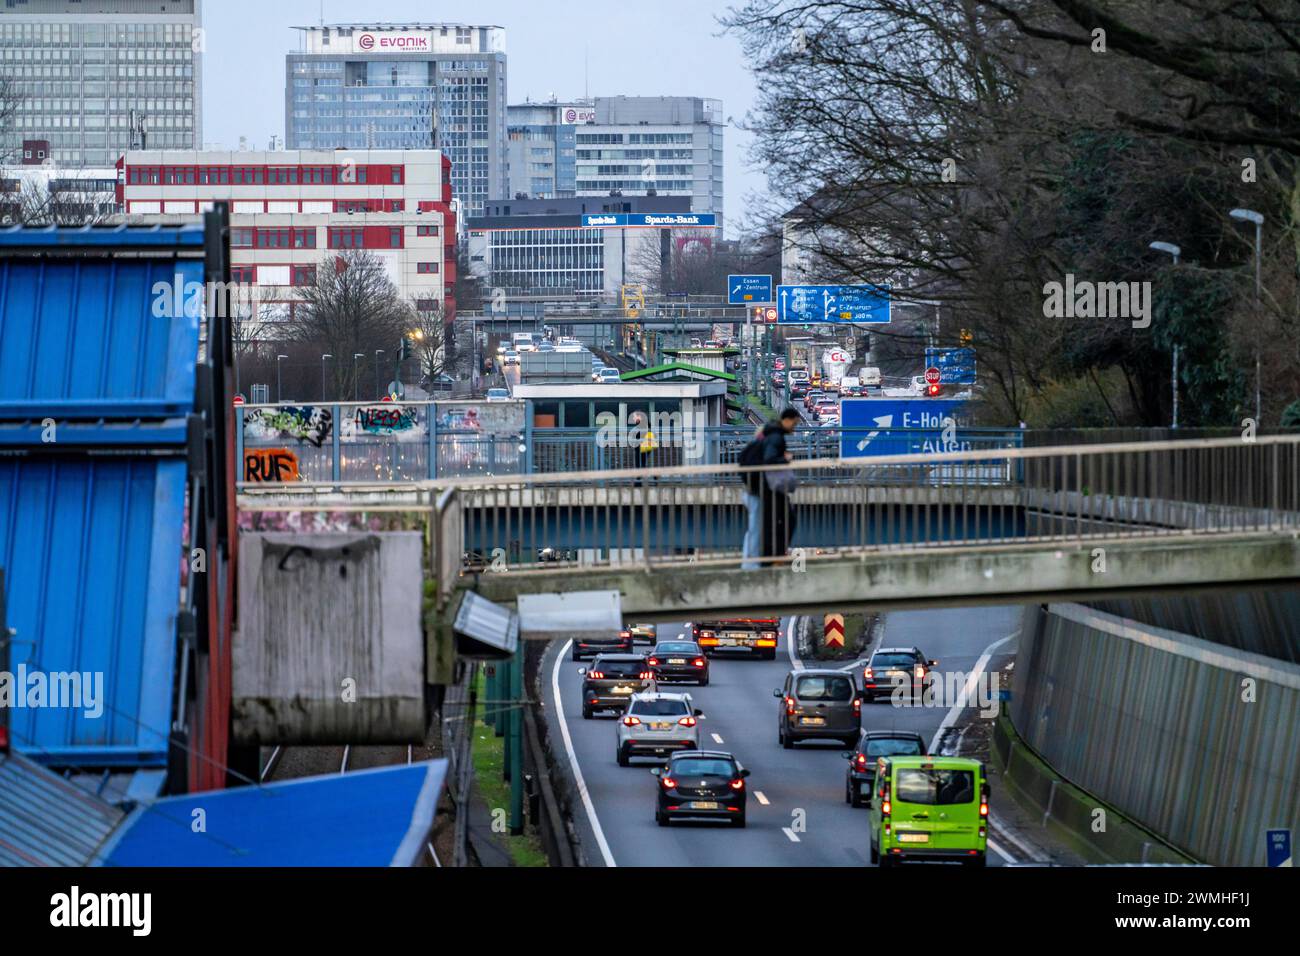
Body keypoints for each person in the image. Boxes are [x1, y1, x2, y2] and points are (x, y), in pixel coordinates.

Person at [760, 407, 800, 562]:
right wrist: (785, 459)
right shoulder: (776, 437)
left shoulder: (772, 433)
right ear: (787, 420)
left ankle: (772, 556)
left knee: (776, 521)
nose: (794, 428)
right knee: (787, 520)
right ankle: (774, 556)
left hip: (770, 486)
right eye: (794, 424)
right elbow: (769, 459)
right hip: (772, 487)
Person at [738, 424, 766, 570]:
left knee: (753, 529)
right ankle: (751, 563)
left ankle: (750, 561)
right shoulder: (761, 448)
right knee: (755, 529)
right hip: (755, 492)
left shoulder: (751, 446)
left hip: (748, 491)